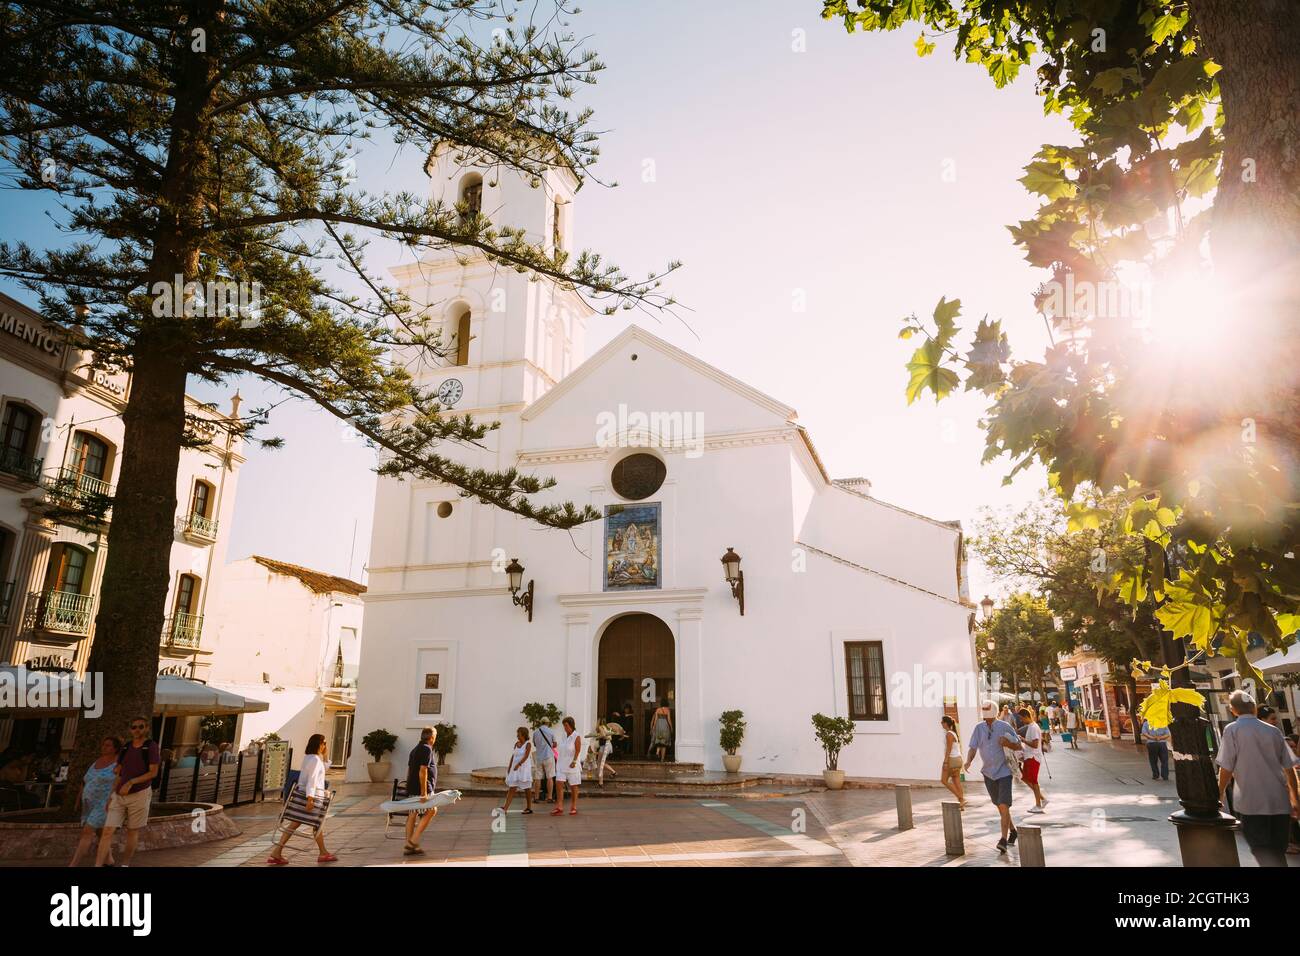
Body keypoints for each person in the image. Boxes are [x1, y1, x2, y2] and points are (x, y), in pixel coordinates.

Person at [1215, 690, 1300, 867]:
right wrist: (1295, 798)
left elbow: (1226, 767)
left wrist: (1220, 793)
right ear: (1254, 708)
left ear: (1233, 710)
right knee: (1278, 850)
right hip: (1278, 801)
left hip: (1251, 802)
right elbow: (1289, 769)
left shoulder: (1232, 730)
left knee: (1262, 849)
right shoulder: (1273, 731)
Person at [96, 717, 160, 867]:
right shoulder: (126, 748)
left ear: (146, 728)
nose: (137, 729)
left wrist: (132, 782)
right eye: (134, 727)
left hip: (139, 794)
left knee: (132, 831)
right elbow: (119, 773)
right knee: (107, 831)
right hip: (119, 795)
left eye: (140, 727)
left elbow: (153, 772)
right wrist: (111, 795)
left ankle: (125, 864)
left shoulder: (150, 746)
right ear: (130, 729)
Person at [964, 700, 1024, 854]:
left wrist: (1008, 743)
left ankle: (1003, 840)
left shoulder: (1005, 727)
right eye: (986, 718)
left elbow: (1018, 745)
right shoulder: (978, 728)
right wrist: (969, 761)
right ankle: (1013, 831)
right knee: (999, 806)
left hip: (1004, 772)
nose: (987, 721)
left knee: (1003, 805)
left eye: (989, 718)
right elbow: (973, 747)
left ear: (996, 714)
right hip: (988, 773)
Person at [267, 734, 337, 864]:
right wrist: (310, 799)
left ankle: (277, 852)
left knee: (297, 823)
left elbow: (323, 769)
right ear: (319, 744)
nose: (325, 746)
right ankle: (323, 853)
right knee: (317, 824)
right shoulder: (315, 760)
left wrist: (326, 756)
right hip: (312, 797)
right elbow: (312, 780)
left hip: (302, 797)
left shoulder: (310, 758)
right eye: (324, 743)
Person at [69, 737, 121, 867]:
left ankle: (73, 864)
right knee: (100, 832)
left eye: (108, 745)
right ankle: (109, 860)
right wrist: (78, 799)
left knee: (87, 831)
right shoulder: (97, 762)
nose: (104, 747)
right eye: (103, 744)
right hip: (89, 803)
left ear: (115, 749)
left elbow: (118, 782)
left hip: (103, 804)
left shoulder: (118, 764)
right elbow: (85, 781)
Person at [403, 726, 440, 855]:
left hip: (412, 786)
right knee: (432, 810)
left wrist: (409, 785)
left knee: (412, 814)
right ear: (432, 738)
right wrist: (424, 792)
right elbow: (423, 770)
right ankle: (413, 841)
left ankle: (410, 845)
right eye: (435, 736)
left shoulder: (415, 749)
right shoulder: (427, 749)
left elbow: (409, 769)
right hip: (421, 788)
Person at [1017, 708, 1048, 812]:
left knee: (1033, 781)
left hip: (1033, 757)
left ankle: (1038, 805)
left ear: (1026, 716)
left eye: (1021, 718)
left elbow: (1034, 744)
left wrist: (1023, 740)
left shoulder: (1033, 727)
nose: (1021, 721)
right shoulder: (1031, 726)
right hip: (1029, 756)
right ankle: (1042, 799)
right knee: (1025, 778)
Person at [551, 716, 583, 816]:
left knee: (573, 786)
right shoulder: (564, 735)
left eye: (566, 725)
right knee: (559, 784)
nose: (564, 728)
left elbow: (578, 750)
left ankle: (573, 806)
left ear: (571, 725)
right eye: (564, 726)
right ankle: (559, 807)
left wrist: (574, 761)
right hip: (561, 764)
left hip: (572, 764)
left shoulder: (576, 736)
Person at [501, 727, 534, 814]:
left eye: (518, 734)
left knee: (527, 788)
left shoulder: (528, 744)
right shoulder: (516, 744)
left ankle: (529, 808)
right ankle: (505, 808)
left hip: (523, 769)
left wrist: (519, 764)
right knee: (512, 787)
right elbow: (513, 756)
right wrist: (510, 767)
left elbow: (526, 756)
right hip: (515, 768)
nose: (517, 736)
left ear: (523, 734)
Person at [939, 715, 965, 810]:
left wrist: (945, 762)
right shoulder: (953, 733)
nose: (941, 723)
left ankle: (961, 798)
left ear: (946, 723)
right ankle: (961, 804)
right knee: (956, 780)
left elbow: (948, 749)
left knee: (944, 780)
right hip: (958, 759)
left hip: (952, 760)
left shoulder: (949, 734)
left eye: (942, 722)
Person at [531, 718, 557, 804]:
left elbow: (534, 744)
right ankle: (549, 797)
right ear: (547, 723)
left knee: (538, 778)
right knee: (550, 777)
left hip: (539, 757)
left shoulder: (535, 732)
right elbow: (555, 744)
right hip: (549, 756)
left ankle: (536, 797)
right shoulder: (551, 731)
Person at [1140, 716, 1171, 781]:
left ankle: (1155, 775)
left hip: (1151, 743)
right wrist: (1160, 738)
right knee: (1164, 760)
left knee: (1153, 760)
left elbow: (1144, 733)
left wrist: (1152, 738)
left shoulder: (1146, 723)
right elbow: (1168, 734)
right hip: (1162, 744)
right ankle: (1165, 776)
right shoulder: (1163, 723)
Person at [592, 719, 618, 786]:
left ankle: (600, 782)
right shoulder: (607, 727)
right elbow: (610, 737)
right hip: (609, 745)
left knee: (600, 763)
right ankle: (613, 772)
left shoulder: (601, 727)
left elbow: (603, 735)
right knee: (601, 762)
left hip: (604, 746)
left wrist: (597, 737)